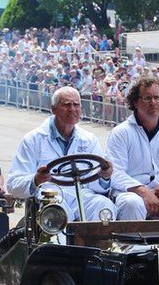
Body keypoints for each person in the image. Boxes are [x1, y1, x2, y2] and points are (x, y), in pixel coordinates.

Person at [7, 86, 116, 221]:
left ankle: (98, 243)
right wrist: (36, 180)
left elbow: (96, 183)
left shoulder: (89, 139)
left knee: (104, 205)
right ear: (53, 109)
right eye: (66, 105)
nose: (72, 109)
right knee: (56, 211)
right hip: (50, 197)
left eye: (76, 105)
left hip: (82, 195)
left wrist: (104, 176)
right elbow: (13, 183)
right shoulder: (33, 139)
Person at [106, 77, 159, 220]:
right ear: (135, 102)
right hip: (130, 193)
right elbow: (115, 174)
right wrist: (143, 191)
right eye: (147, 98)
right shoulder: (120, 133)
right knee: (132, 203)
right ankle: (129, 242)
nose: (153, 102)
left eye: (157, 97)